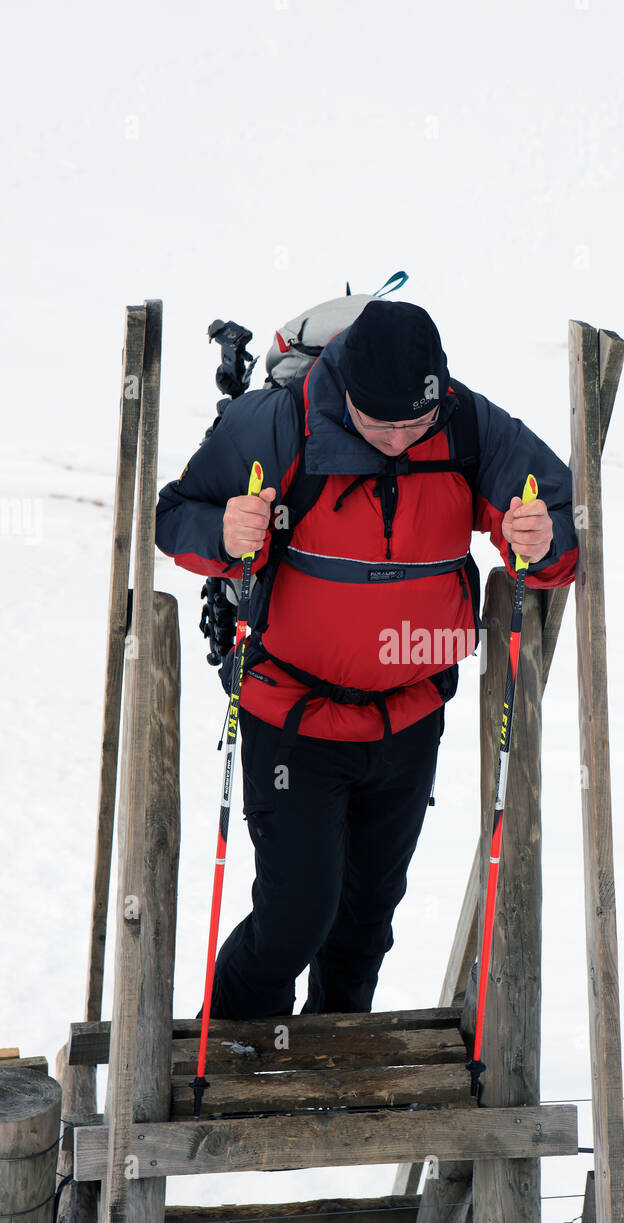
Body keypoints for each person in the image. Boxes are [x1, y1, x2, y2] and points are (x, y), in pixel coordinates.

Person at [155, 300, 579, 1020]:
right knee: (295, 918)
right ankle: (234, 1052)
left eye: (415, 425)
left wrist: (538, 542)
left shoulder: (469, 424)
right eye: (383, 425)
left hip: (408, 719)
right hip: (291, 714)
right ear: (345, 388)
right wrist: (225, 533)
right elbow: (174, 517)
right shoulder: (276, 423)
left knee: (365, 922)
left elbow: (567, 519)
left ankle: (336, 1064)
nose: (400, 440)